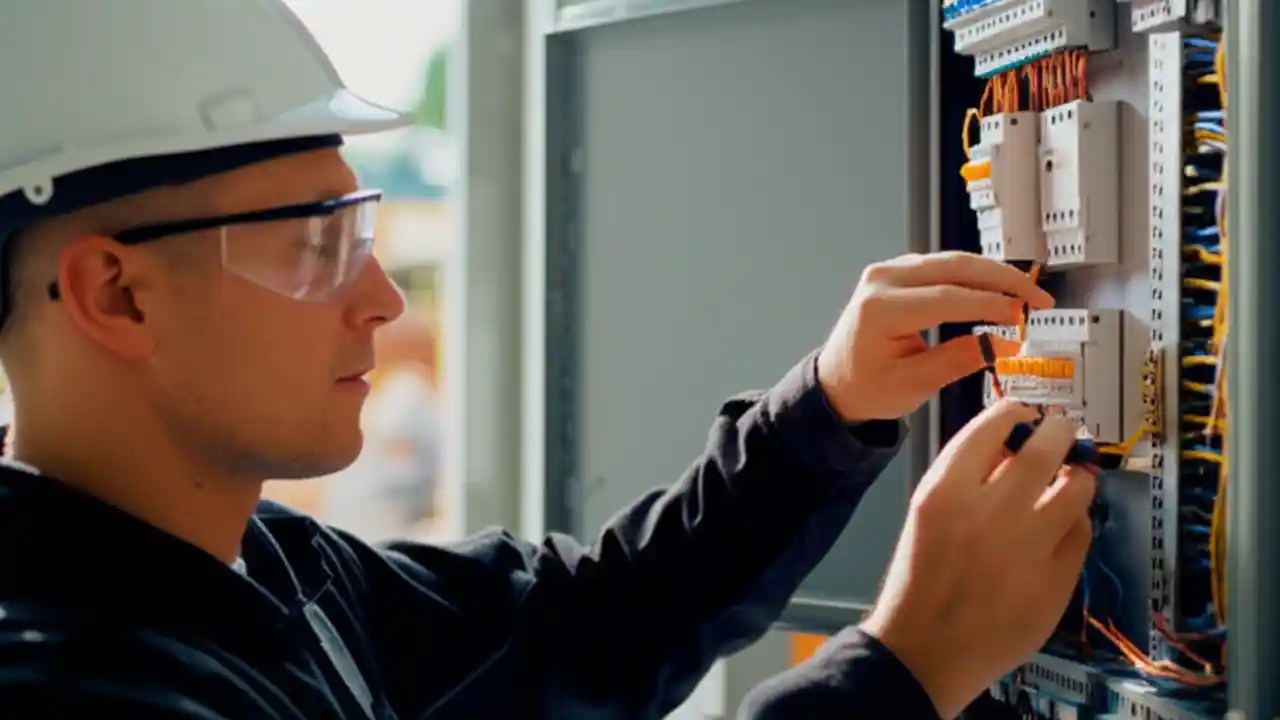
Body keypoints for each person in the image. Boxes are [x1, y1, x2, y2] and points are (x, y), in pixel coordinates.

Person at [0, 3, 1095, 719]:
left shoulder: (249, 571)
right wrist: (902, 671)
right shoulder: (78, 685)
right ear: (117, 292)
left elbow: (582, 625)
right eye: (314, 241)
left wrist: (827, 409)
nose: (379, 302)